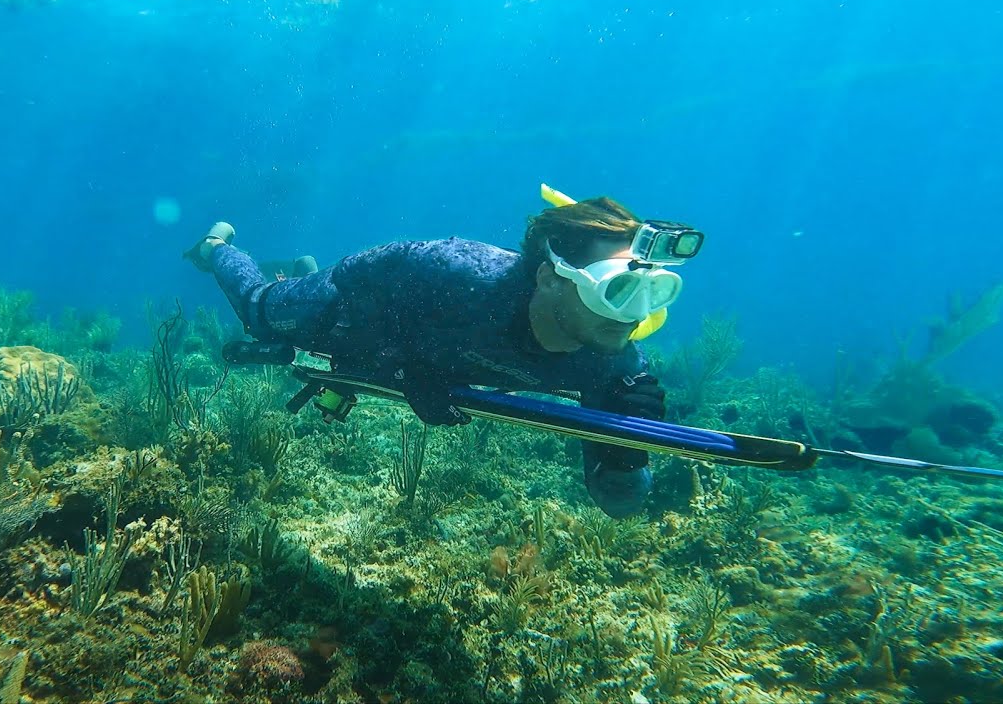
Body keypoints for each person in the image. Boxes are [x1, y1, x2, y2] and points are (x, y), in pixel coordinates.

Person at [184, 185, 702, 517]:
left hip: (417, 343)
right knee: (259, 313)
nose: (630, 315)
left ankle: (300, 272)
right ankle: (216, 248)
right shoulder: (463, 276)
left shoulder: (613, 363)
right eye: (616, 290)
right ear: (549, 277)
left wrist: (624, 452)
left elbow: (619, 502)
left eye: (651, 292)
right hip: (347, 313)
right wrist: (400, 364)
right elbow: (360, 272)